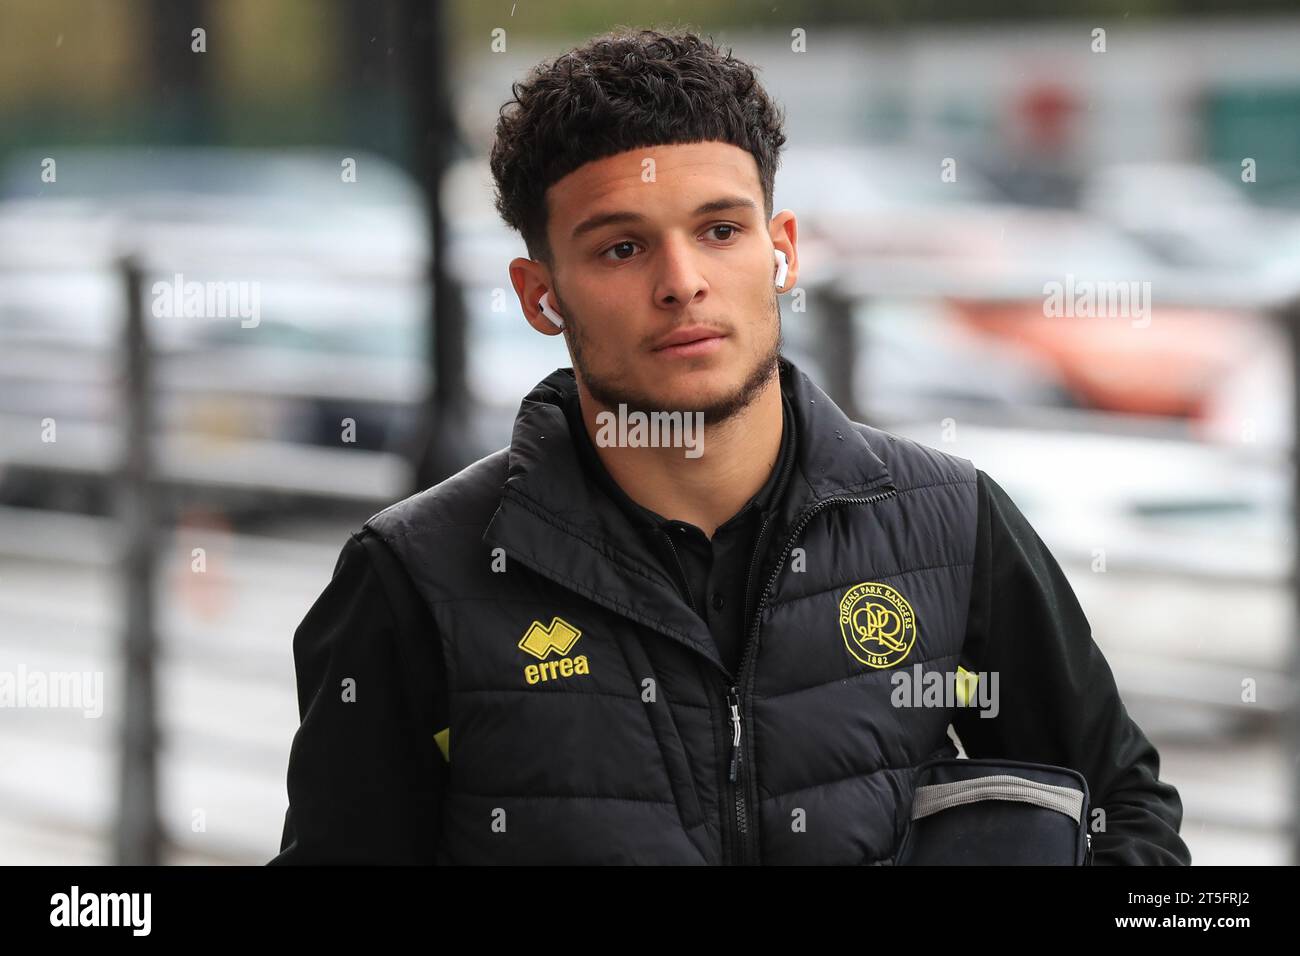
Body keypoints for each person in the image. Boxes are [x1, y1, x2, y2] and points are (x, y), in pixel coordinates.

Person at [270, 28, 1189, 865]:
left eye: (719, 231)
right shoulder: (415, 576)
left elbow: (1126, 821)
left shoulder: (950, 523)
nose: (683, 283)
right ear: (538, 294)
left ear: (780, 249)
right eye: (621, 249)